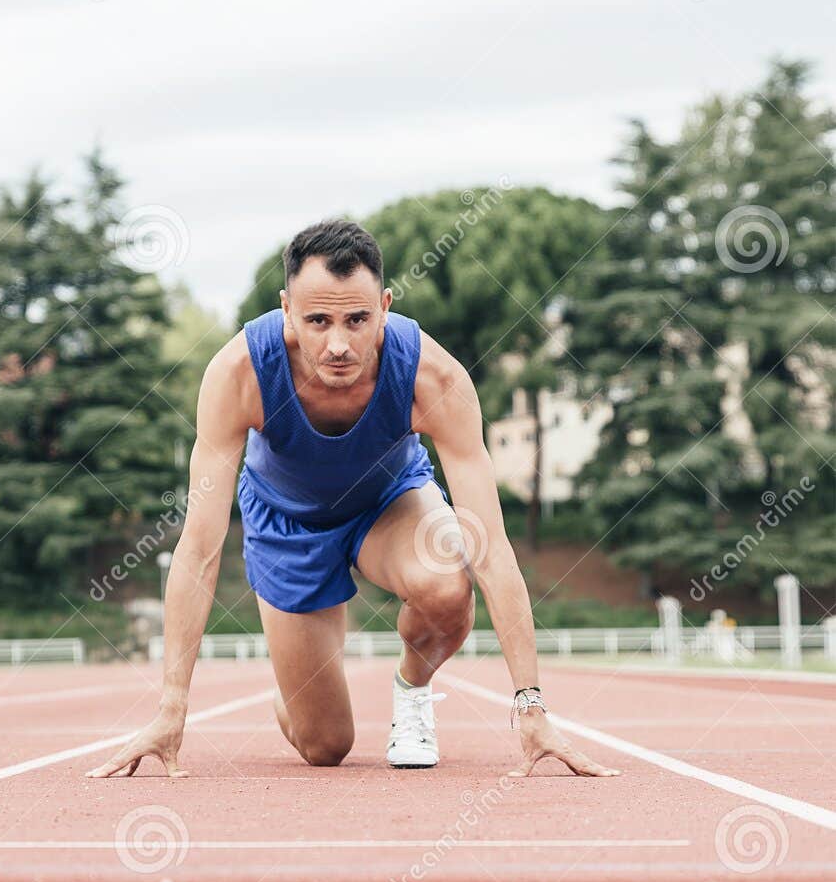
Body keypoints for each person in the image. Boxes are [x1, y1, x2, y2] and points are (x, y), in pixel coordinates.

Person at [89, 218, 617, 781]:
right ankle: (294, 690)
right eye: (318, 321)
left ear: (385, 307)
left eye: (357, 320)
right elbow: (198, 550)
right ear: (287, 309)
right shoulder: (239, 373)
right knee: (325, 748)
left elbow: (492, 547)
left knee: (447, 576)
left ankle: (412, 694)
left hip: (388, 503)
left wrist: (530, 706)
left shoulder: (432, 377)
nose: (338, 345)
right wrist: (172, 709)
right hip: (286, 523)